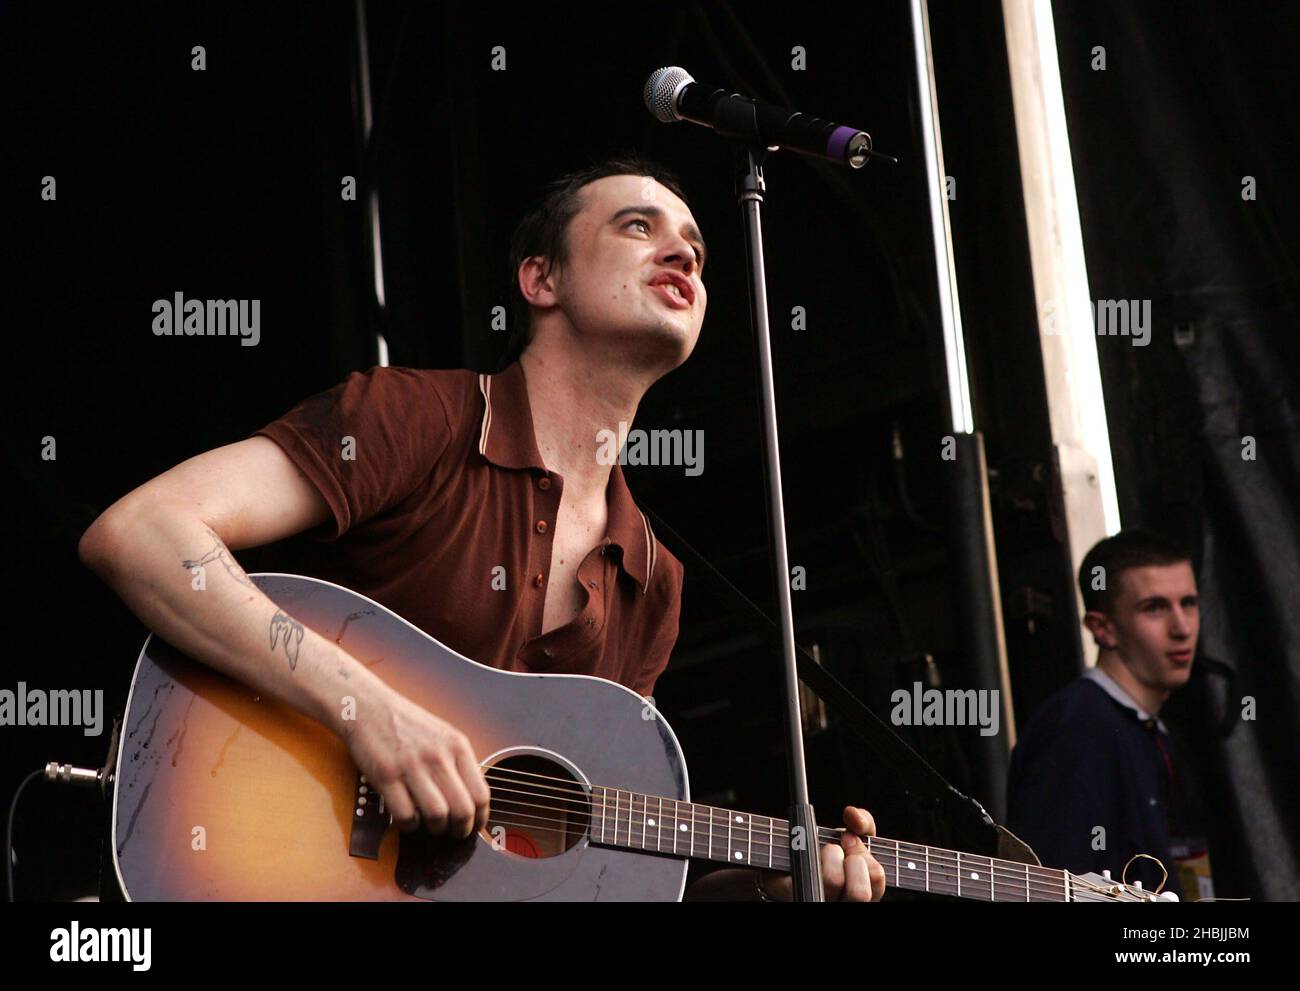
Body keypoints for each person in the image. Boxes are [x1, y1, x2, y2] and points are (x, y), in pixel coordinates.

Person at [79, 153, 884, 902]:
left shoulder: (652, 578)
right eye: (638, 226)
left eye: (696, 249)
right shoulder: (412, 418)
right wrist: (367, 709)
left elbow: (589, 872)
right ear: (540, 278)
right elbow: (144, 530)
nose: (681, 253)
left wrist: (769, 888)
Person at [1006, 530, 1197, 898]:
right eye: (1154, 607)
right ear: (1102, 628)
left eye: (1188, 603)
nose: (1182, 628)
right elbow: (1048, 888)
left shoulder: (1140, 725)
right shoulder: (1077, 727)